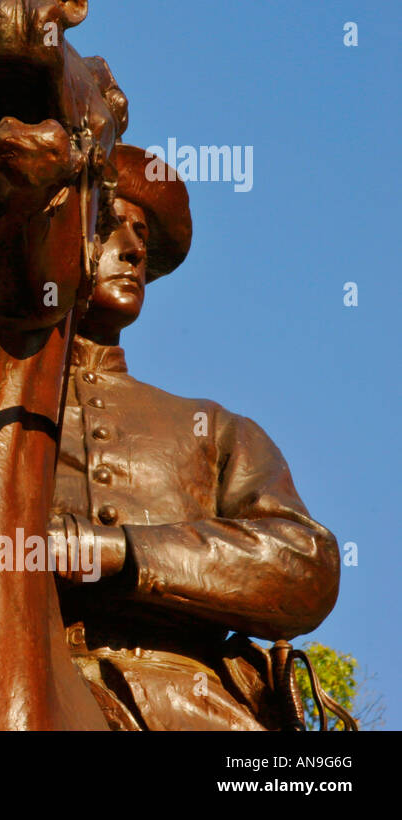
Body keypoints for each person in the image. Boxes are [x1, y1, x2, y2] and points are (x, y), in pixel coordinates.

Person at [48, 144, 340, 730]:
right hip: (21, 667)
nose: (132, 250)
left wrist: (118, 551)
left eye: (142, 238)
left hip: (187, 705)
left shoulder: (211, 427)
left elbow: (306, 565)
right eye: (111, 226)